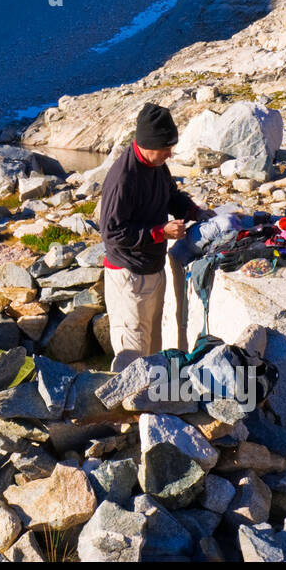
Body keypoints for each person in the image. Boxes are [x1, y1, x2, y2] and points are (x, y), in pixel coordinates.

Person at [100, 102, 210, 370]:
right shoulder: (123, 179)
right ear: (147, 144)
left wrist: (194, 211)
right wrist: (161, 232)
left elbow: (170, 195)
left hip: (152, 269)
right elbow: (112, 232)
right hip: (129, 275)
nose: (169, 154)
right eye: (165, 149)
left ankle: (151, 404)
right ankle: (128, 406)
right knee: (132, 349)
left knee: (152, 348)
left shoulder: (156, 165)